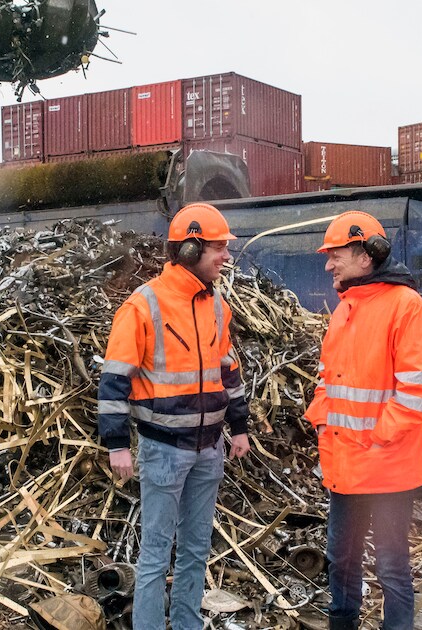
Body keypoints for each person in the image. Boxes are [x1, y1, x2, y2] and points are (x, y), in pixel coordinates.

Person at [97, 203, 251, 630]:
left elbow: (228, 369)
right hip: (163, 450)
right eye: (218, 248)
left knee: (196, 550)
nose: (225, 256)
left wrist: (238, 426)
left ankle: (186, 624)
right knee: (155, 554)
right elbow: (114, 382)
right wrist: (116, 445)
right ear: (188, 250)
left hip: (210, 448)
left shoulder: (216, 304)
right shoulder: (143, 305)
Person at [305, 211, 422, 630]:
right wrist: (322, 422)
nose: (328, 264)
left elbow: (419, 389)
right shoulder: (345, 311)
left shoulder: (407, 308)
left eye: (335, 255)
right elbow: (328, 380)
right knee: (341, 561)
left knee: (391, 565)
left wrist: (375, 438)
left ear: (367, 255)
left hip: (385, 468)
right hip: (345, 465)